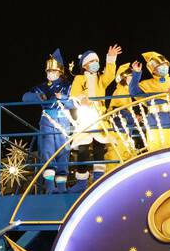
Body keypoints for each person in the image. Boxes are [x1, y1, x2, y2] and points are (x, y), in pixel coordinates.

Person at [21, 50, 74, 193]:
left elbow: (74, 103)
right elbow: (25, 97)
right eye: (48, 70)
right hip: (47, 121)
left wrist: (62, 98)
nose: (50, 73)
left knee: (63, 154)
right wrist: (38, 97)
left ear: (60, 71)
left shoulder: (68, 86)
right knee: (47, 152)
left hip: (63, 120)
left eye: (53, 70)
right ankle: (50, 188)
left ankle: (62, 188)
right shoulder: (42, 87)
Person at [69, 46, 121, 168]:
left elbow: (110, 75)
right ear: (84, 65)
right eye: (92, 61)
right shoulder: (79, 78)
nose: (95, 64)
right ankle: (81, 178)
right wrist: (82, 99)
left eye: (96, 61)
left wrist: (111, 58)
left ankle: (99, 176)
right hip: (85, 115)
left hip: (99, 116)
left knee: (99, 147)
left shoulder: (100, 79)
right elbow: (74, 93)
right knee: (83, 148)